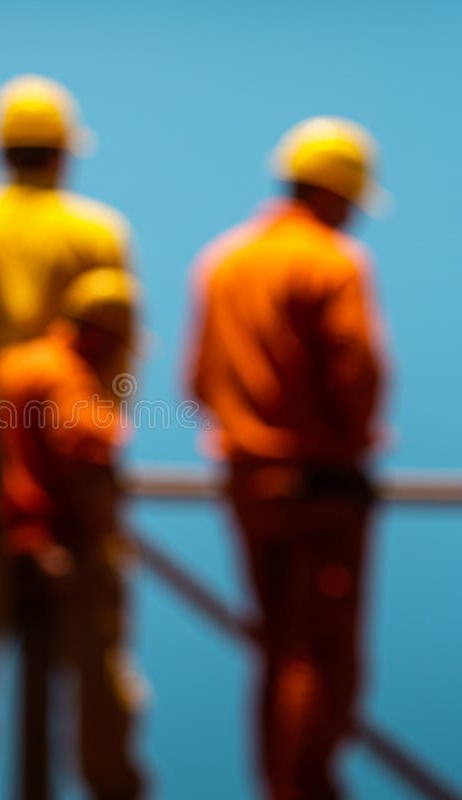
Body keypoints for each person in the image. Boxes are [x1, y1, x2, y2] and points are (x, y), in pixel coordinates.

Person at [0, 75, 133, 799]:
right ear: (63, 154)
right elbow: (117, 356)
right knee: (94, 637)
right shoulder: (96, 235)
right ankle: (112, 781)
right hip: (72, 455)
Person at [184, 117, 388, 800]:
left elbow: (197, 383)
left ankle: (279, 781)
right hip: (321, 485)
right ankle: (306, 788)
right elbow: (354, 370)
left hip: (247, 484)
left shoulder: (223, 262)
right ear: (336, 192)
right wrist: (358, 436)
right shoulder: (331, 261)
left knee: (276, 651)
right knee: (319, 652)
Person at [0, 268, 146, 800]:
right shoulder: (70, 377)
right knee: (100, 691)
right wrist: (95, 540)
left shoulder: (16, 364)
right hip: (70, 551)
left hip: (21, 544)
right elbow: (80, 452)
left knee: (30, 695)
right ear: (102, 335)